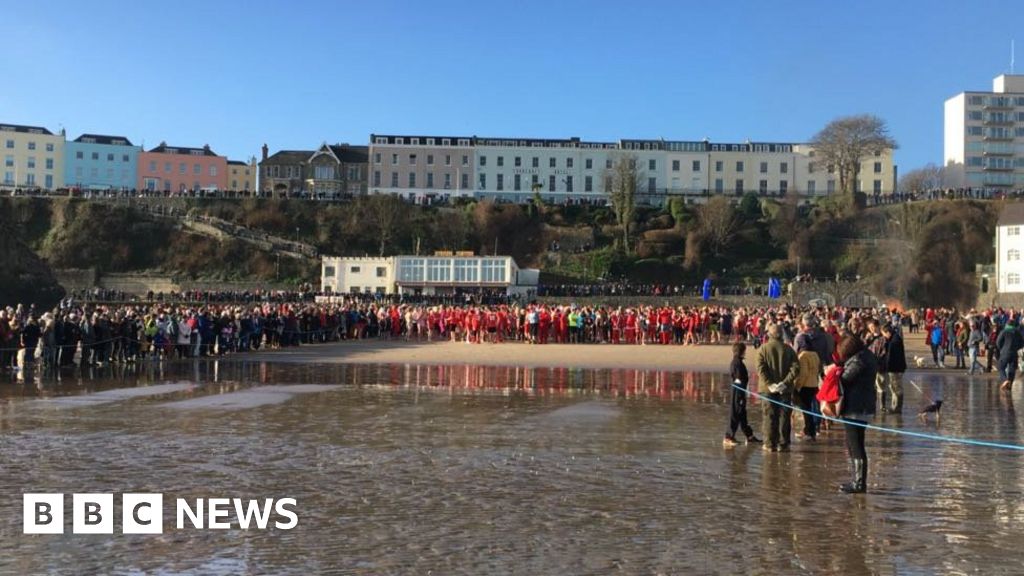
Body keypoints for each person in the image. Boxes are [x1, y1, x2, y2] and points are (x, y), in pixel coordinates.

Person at [836, 333, 878, 494]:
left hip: (855, 408)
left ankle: (859, 483)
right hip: (864, 405)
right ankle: (857, 480)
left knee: (855, 445)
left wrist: (832, 373)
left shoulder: (858, 361)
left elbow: (844, 380)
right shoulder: (868, 356)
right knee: (855, 444)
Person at [756, 323, 800, 452]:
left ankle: (770, 444)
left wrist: (770, 383)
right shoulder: (789, 349)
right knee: (784, 416)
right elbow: (795, 368)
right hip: (783, 389)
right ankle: (783, 443)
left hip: (768, 389)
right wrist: (785, 383)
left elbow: (761, 369)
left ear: (769, 335)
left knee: (769, 416)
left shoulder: (763, 349)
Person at [724, 342, 762, 447]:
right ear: (741, 351)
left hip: (741, 392)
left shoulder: (738, 362)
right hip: (738, 393)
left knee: (742, 414)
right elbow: (737, 378)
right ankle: (728, 436)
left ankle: (749, 436)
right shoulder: (736, 363)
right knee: (735, 413)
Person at [794, 336, 822, 440]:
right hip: (814, 384)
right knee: (810, 408)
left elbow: (803, 374)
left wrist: (798, 386)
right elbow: (818, 369)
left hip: (805, 385)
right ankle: (811, 431)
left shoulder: (803, 356)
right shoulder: (815, 354)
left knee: (805, 410)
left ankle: (808, 431)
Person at [878, 324, 907, 413]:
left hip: (895, 368)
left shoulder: (894, 341)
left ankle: (897, 407)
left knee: (896, 387)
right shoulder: (894, 338)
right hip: (896, 368)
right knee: (894, 387)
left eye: (884, 334)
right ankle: (894, 406)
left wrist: (887, 366)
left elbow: (890, 357)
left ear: (888, 332)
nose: (883, 336)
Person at [995, 318, 1024, 391]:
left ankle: (1005, 380)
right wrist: (1017, 348)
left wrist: (1002, 348)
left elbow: (998, 342)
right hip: (1014, 353)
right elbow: (1022, 343)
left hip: (1005, 352)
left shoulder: (1004, 331)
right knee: (1012, 369)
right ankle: (1009, 384)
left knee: (1000, 367)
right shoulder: (1017, 332)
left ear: (1007, 324)